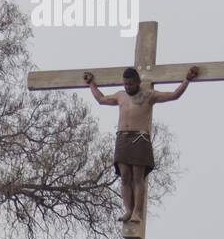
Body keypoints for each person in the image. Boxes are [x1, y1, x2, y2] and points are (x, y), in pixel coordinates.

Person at [84, 65, 199, 224]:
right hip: (123, 138)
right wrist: (91, 84)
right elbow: (101, 99)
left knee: (138, 177)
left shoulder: (148, 95)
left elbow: (173, 95)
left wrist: (187, 79)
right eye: (125, 84)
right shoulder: (120, 96)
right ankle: (128, 210)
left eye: (130, 84)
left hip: (140, 138)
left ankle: (137, 212)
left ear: (137, 82)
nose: (128, 86)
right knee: (124, 176)